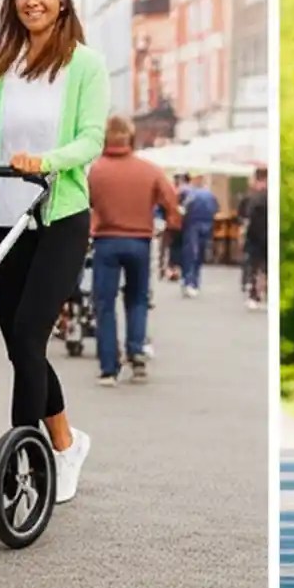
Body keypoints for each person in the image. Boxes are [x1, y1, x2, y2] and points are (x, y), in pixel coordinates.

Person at [0, 0, 109, 504]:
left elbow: (91, 139)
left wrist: (46, 160)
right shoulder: (1, 66)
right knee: (19, 343)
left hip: (59, 214)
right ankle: (66, 443)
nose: (32, 2)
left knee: (29, 336)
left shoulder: (84, 66)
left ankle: (21, 461)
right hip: (5, 218)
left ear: (62, 0)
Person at [87, 114, 180, 386]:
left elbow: (84, 204)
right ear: (130, 136)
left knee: (104, 304)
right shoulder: (149, 169)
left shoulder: (96, 170)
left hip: (106, 241)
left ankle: (108, 368)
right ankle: (137, 353)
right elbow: (171, 202)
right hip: (140, 241)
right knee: (137, 299)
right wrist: (170, 225)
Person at [179, 173, 219, 298]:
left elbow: (182, 210)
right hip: (205, 226)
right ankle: (194, 282)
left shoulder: (188, 193)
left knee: (191, 254)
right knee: (199, 254)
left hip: (192, 226)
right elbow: (215, 209)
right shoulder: (209, 195)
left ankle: (188, 281)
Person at [243, 167, 269, 310]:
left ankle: (255, 294)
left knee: (255, 267)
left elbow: (249, 217)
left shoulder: (256, 197)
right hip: (265, 236)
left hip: (256, 237)